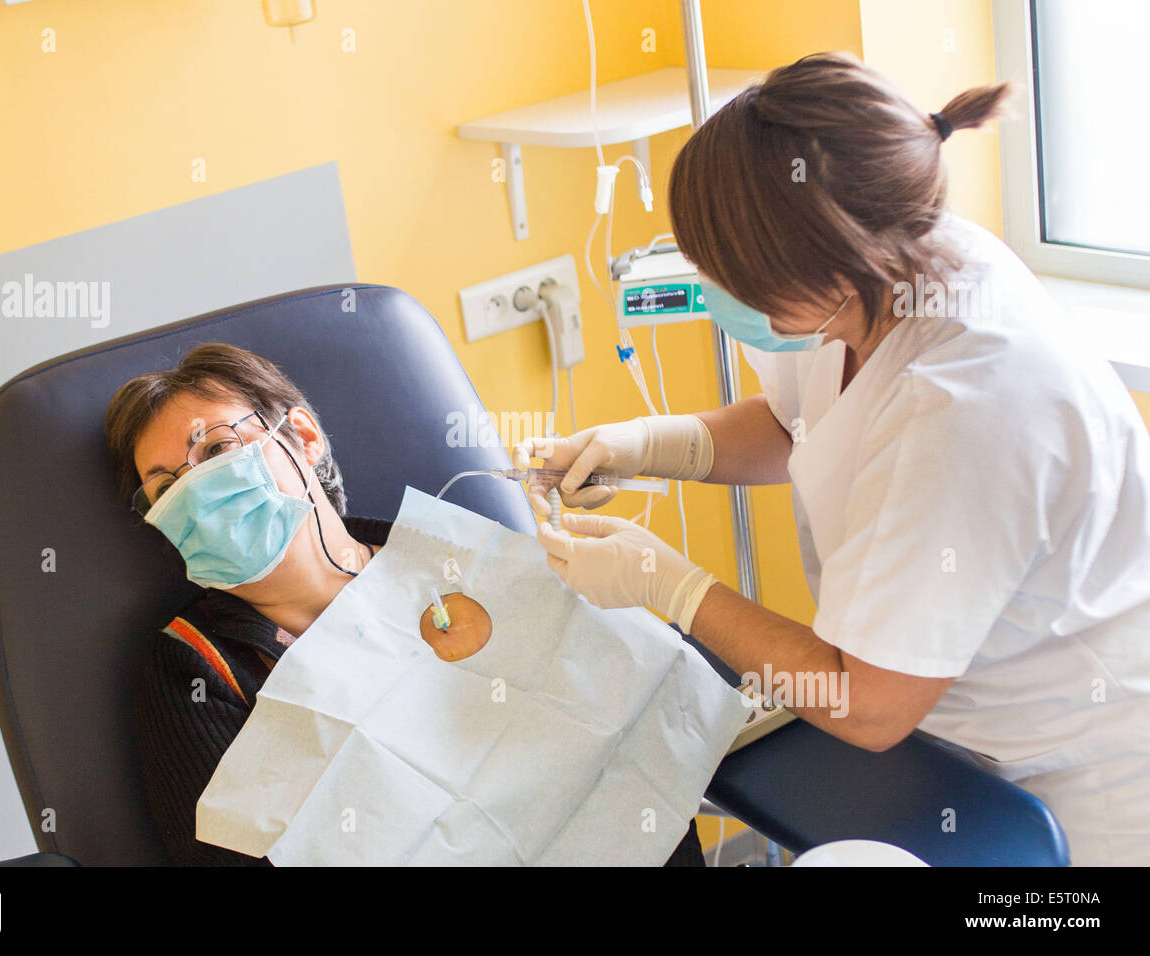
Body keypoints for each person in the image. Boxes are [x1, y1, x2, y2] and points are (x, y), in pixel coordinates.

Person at [518, 52, 1150, 866]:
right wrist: (653, 443)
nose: (712, 290)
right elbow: (799, 423)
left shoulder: (966, 406)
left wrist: (666, 584)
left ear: (831, 270)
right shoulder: (875, 272)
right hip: (942, 726)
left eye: (729, 276)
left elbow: (868, 702)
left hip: (1074, 765)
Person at [105, 343, 706, 866]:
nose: (197, 490)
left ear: (305, 439)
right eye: (167, 487)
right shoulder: (196, 670)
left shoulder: (457, 559)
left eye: (213, 450)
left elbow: (632, 726)